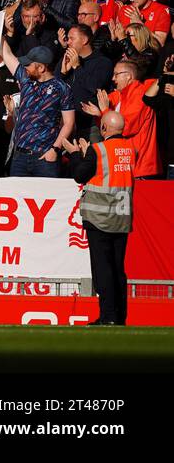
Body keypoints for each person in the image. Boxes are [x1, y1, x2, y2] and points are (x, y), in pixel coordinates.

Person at [62, 110, 134, 326]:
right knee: (118, 269)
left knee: (103, 269)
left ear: (104, 128)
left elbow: (79, 175)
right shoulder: (130, 148)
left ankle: (108, 316)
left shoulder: (98, 149)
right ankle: (119, 317)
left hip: (100, 217)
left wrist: (76, 154)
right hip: (122, 218)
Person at [0, 41, 75, 177]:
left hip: (45, 158)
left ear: (41, 68)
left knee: (47, 197)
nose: (25, 67)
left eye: (29, 65)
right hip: (20, 157)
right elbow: (6, 53)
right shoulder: (25, 80)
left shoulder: (62, 88)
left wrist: (54, 150)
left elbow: (69, 123)